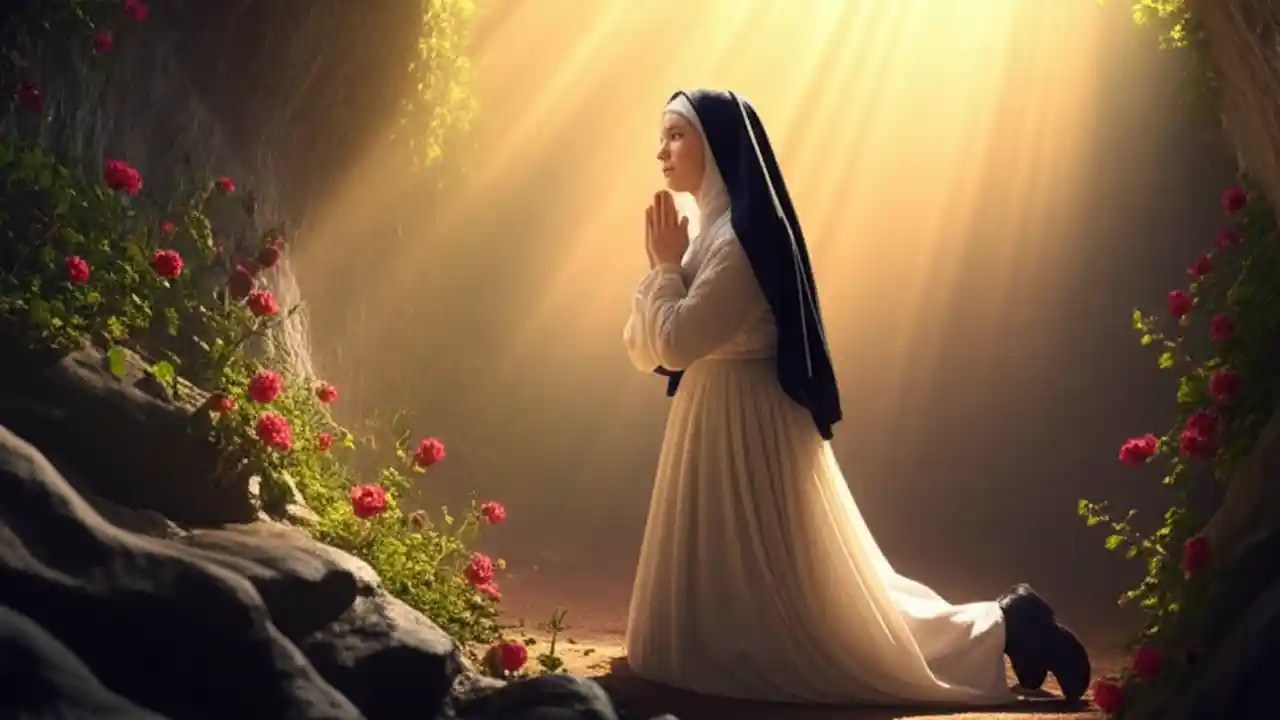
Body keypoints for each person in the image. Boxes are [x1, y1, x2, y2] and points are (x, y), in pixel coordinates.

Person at [622, 88, 1091, 706]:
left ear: (716, 145)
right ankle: (1008, 626)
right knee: (754, 606)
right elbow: (644, 346)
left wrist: (662, 270)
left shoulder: (744, 238)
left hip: (750, 422)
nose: (662, 150)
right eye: (663, 136)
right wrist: (667, 273)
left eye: (677, 134)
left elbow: (675, 342)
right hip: (712, 416)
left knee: (816, 608)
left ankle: (1007, 624)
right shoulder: (706, 234)